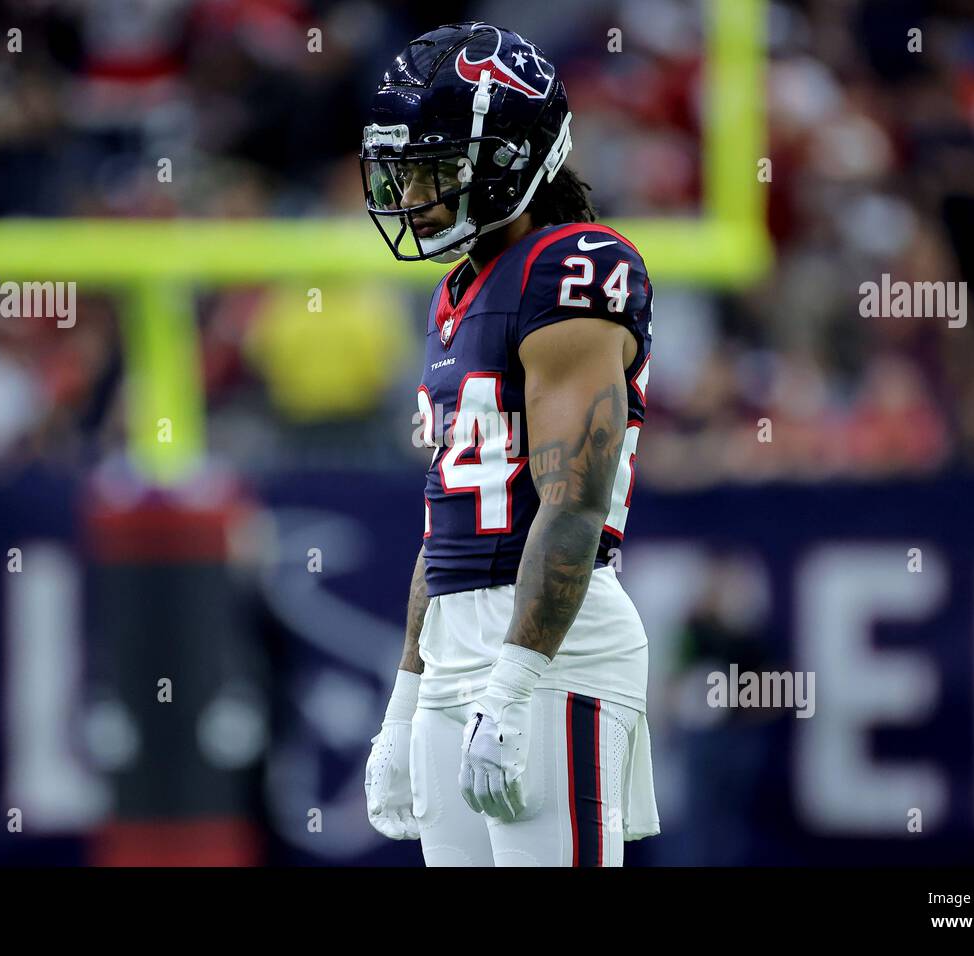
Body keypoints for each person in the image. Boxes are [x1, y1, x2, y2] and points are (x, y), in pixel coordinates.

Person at [360, 21, 659, 866]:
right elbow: (446, 519)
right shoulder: (460, 290)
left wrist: (518, 681)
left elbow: (573, 500)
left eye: (434, 166)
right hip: (457, 645)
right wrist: (408, 692)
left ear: (505, 163)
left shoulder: (574, 266)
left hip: (553, 647)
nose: (412, 190)